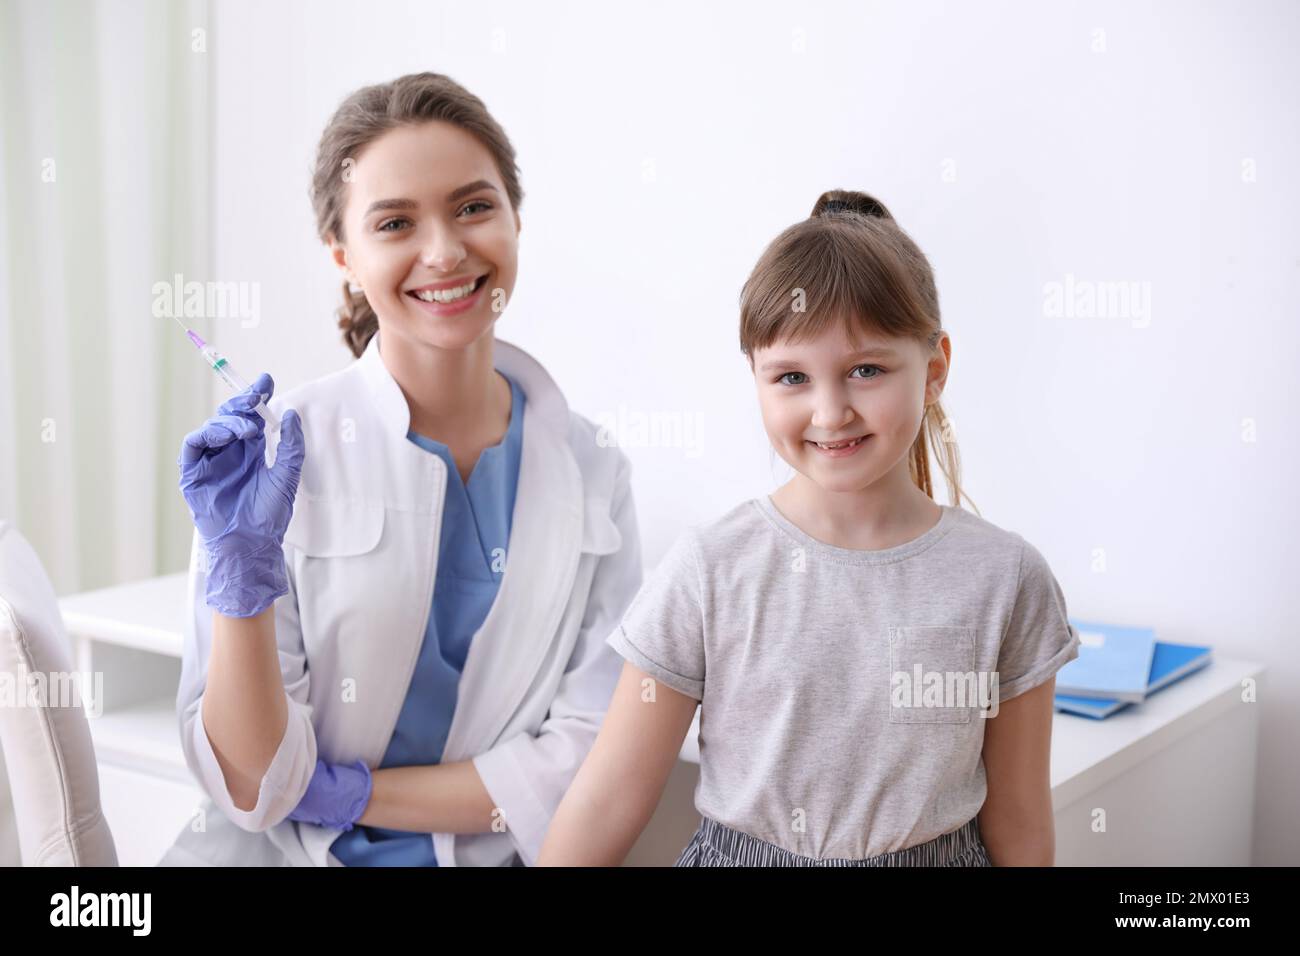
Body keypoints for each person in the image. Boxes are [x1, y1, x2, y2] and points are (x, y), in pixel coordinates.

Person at [163, 72, 642, 867]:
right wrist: (238, 585)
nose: (445, 251)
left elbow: (588, 759)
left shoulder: (594, 472)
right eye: (395, 223)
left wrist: (351, 791)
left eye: (474, 207)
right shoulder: (274, 468)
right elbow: (251, 788)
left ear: (515, 217)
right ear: (344, 256)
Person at [537, 190, 1081, 867]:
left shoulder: (1007, 579)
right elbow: (609, 798)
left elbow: (1021, 823)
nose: (830, 413)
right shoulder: (709, 569)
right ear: (757, 380)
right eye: (792, 376)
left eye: (866, 370)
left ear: (935, 369)